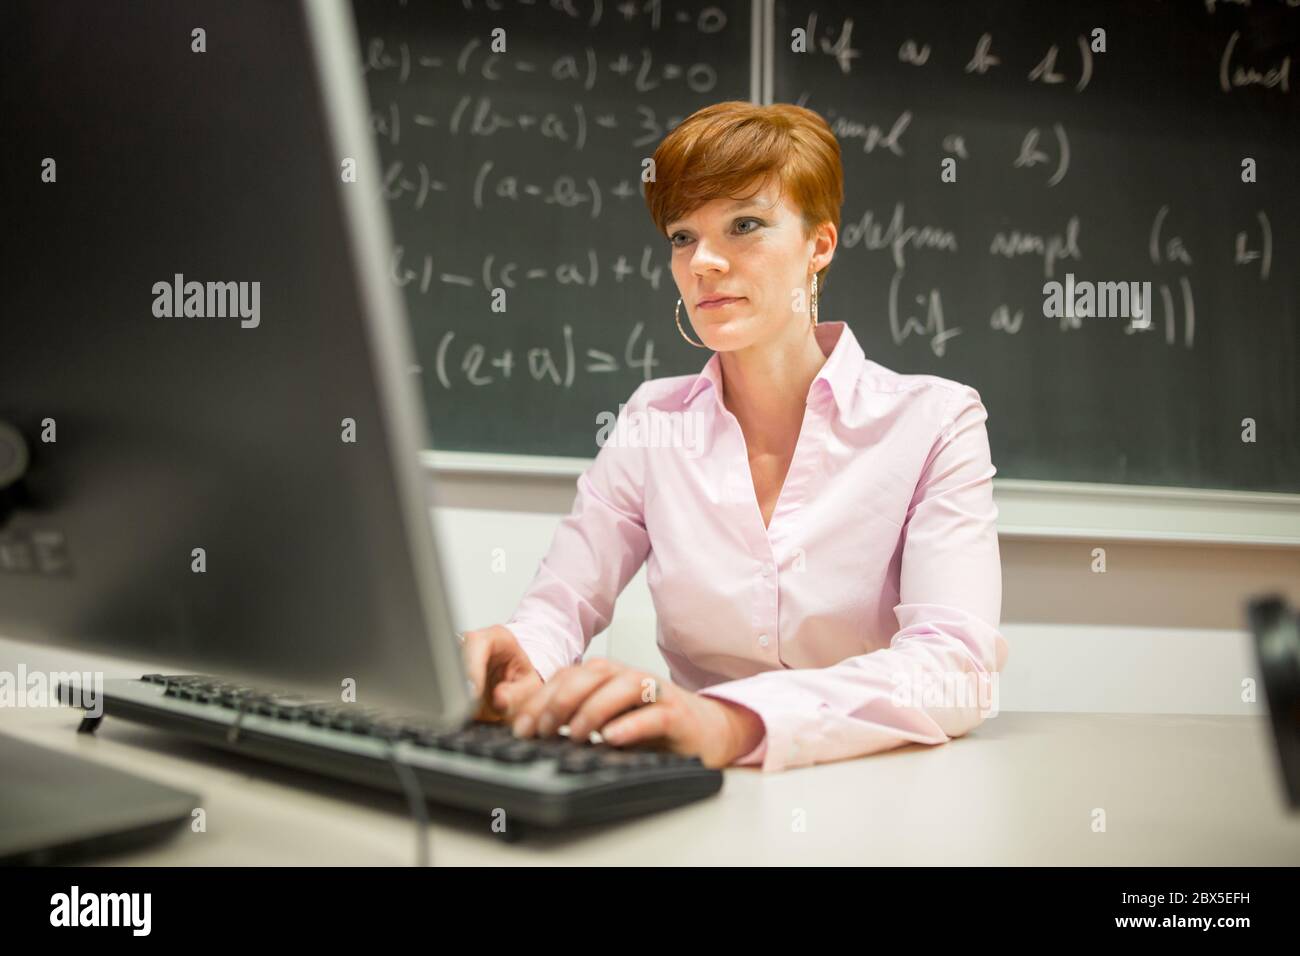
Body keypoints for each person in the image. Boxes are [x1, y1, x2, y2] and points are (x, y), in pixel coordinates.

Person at [462, 101, 1008, 772]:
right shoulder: (651, 424)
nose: (704, 263)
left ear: (820, 244)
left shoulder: (934, 422)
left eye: (745, 225)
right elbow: (560, 606)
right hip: (697, 794)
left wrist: (729, 722)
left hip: (880, 792)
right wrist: (522, 656)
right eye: (683, 236)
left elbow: (956, 667)